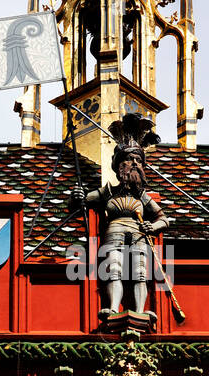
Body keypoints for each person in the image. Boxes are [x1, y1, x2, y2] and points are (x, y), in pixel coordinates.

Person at [71, 113, 168, 323]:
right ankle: (114, 308)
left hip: (140, 233)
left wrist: (153, 226)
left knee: (140, 273)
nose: (134, 163)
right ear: (118, 165)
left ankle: (140, 310)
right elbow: (84, 201)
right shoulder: (107, 192)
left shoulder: (142, 196)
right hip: (113, 232)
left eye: (138, 160)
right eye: (129, 159)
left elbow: (164, 219)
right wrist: (78, 195)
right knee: (113, 269)